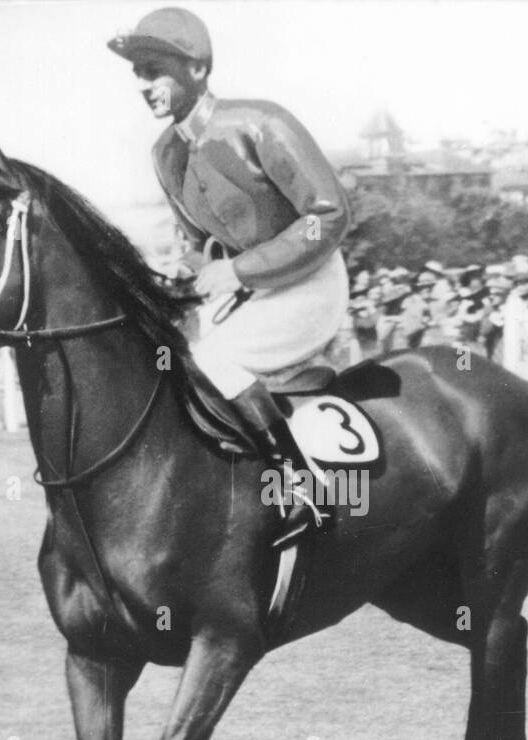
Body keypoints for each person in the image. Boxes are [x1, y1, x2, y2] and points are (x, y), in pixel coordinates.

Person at [109, 7, 351, 547]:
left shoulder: (262, 123)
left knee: (208, 359)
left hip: (309, 281)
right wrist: (189, 268)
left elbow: (330, 215)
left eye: (154, 70)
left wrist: (241, 269)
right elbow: (200, 246)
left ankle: (300, 483)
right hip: (244, 293)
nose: (143, 86)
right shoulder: (165, 153)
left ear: (196, 69)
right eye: (138, 74)